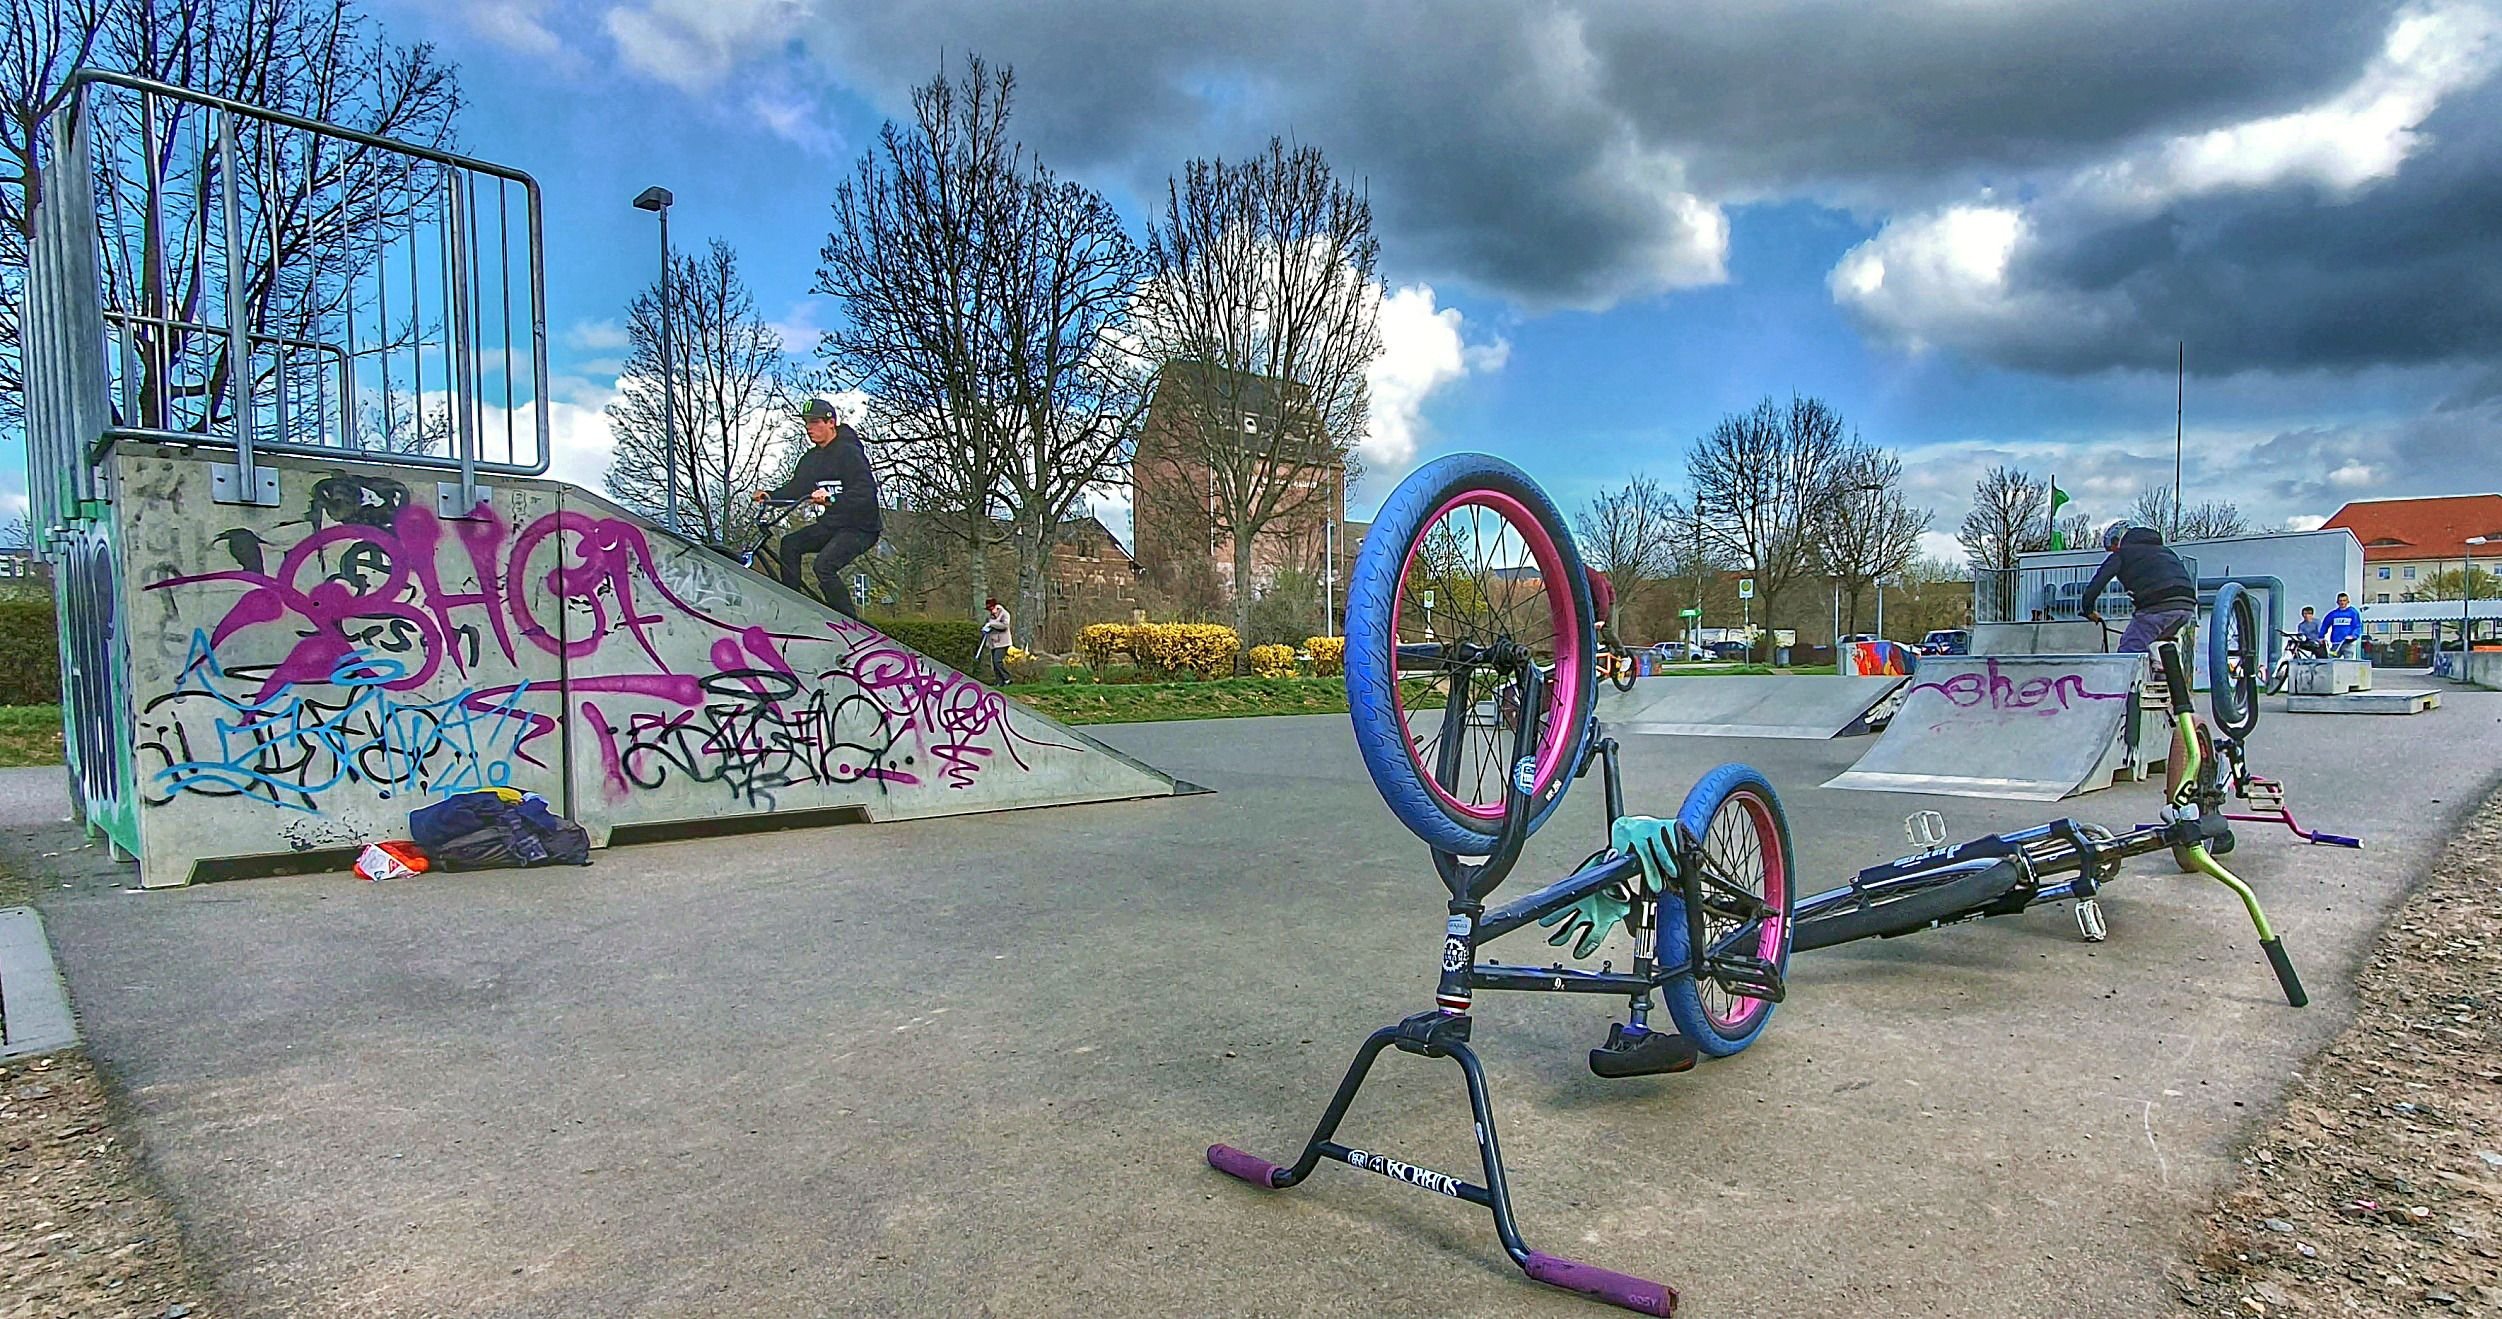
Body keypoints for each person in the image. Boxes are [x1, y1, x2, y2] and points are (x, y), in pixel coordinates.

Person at [755, 399, 881, 618]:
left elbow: (865, 491)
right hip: (832, 525)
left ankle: (850, 624)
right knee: (790, 544)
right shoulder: (811, 460)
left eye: (814, 423)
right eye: (806, 424)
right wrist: (771, 496)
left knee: (824, 566)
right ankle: (793, 607)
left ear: (831, 422)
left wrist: (832, 498)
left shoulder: (849, 452)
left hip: (861, 528)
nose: (809, 429)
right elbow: (797, 487)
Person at [2079, 520, 2199, 653]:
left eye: (2112, 546)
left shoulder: (2123, 553)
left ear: (2119, 538)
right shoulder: (2166, 551)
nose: (2113, 551)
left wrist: (2088, 609)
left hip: (2157, 606)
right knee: (2156, 647)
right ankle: (2162, 671)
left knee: (2129, 649)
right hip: (2187, 607)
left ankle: (2141, 672)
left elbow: (2099, 581)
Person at [979, 598, 1013, 684]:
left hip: (1003, 643)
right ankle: (999, 681)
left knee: (997, 661)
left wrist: (992, 624)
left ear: (995, 607)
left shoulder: (1004, 614)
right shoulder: (990, 616)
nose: (991, 611)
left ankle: (1007, 678)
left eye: (991, 608)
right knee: (994, 664)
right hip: (993, 643)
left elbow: (1005, 626)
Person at [2321, 592, 2364, 658]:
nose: (2342, 602)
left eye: (2344, 600)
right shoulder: (2333, 614)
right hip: (2336, 643)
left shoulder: (2353, 613)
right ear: (2337, 602)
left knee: (2348, 661)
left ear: (2348, 601)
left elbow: (2357, 626)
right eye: (2340, 601)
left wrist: (2353, 636)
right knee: (2331, 660)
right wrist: (2321, 636)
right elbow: (2325, 625)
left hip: (2348, 643)